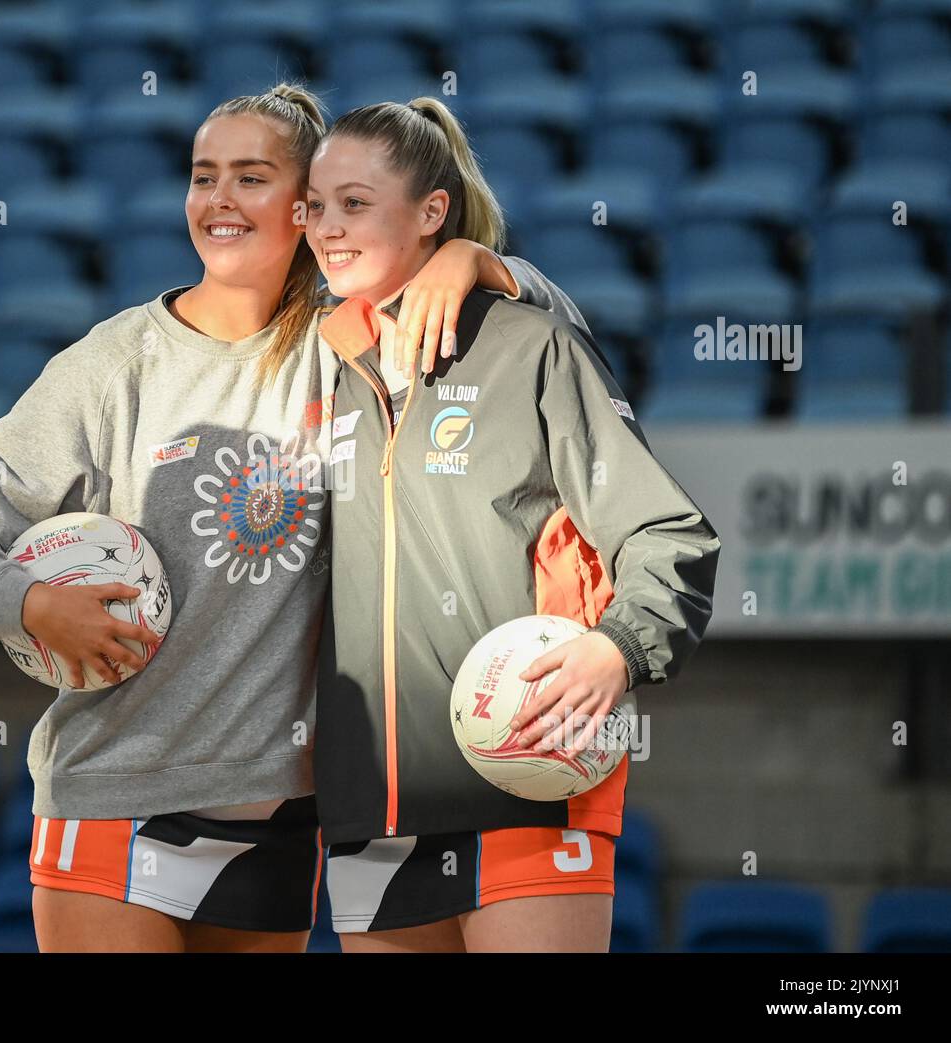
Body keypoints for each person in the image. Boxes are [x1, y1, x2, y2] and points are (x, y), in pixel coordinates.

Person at [0, 83, 581, 953]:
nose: (217, 199)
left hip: (284, 824)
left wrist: (481, 265)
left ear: (308, 206)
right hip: (115, 801)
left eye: (250, 178)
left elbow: (556, 345)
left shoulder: (358, 345)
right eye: (202, 176)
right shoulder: (116, 365)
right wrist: (27, 605)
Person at [306, 98, 721, 952]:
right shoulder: (311, 365)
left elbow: (668, 532)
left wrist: (620, 646)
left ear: (433, 213)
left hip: (528, 772)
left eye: (355, 202)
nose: (326, 226)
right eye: (315, 204)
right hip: (369, 805)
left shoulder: (530, 346)